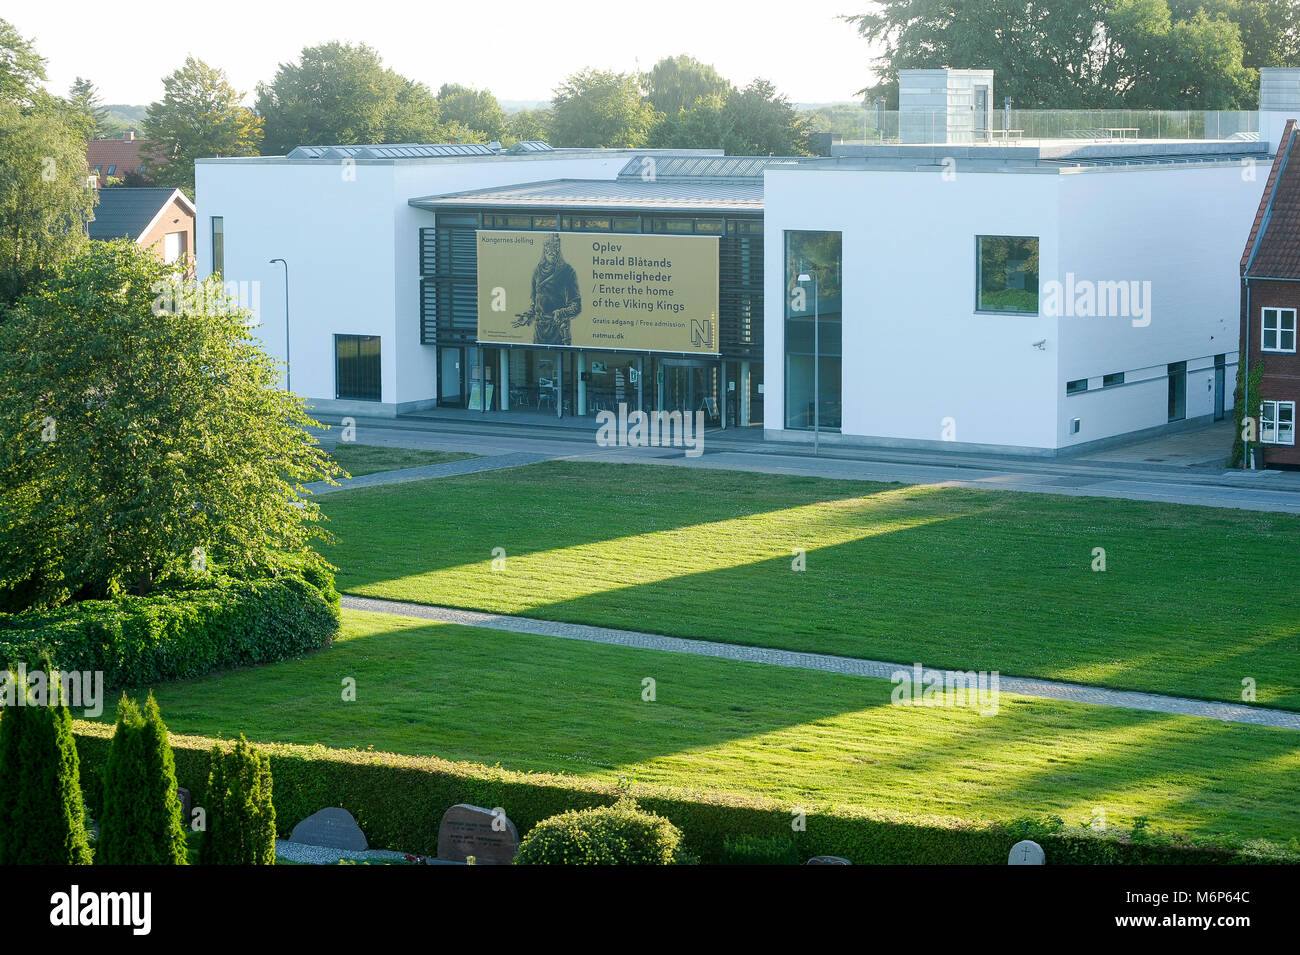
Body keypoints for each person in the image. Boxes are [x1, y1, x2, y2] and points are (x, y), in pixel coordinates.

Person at [513, 233, 581, 345]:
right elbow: (535, 302)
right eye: (548, 246)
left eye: (555, 246)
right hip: (539, 330)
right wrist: (528, 316)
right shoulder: (537, 271)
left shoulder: (567, 271)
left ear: (559, 249)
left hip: (558, 330)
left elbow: (576, 306)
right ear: (544, 248)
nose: (551, 250)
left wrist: (561, 313)